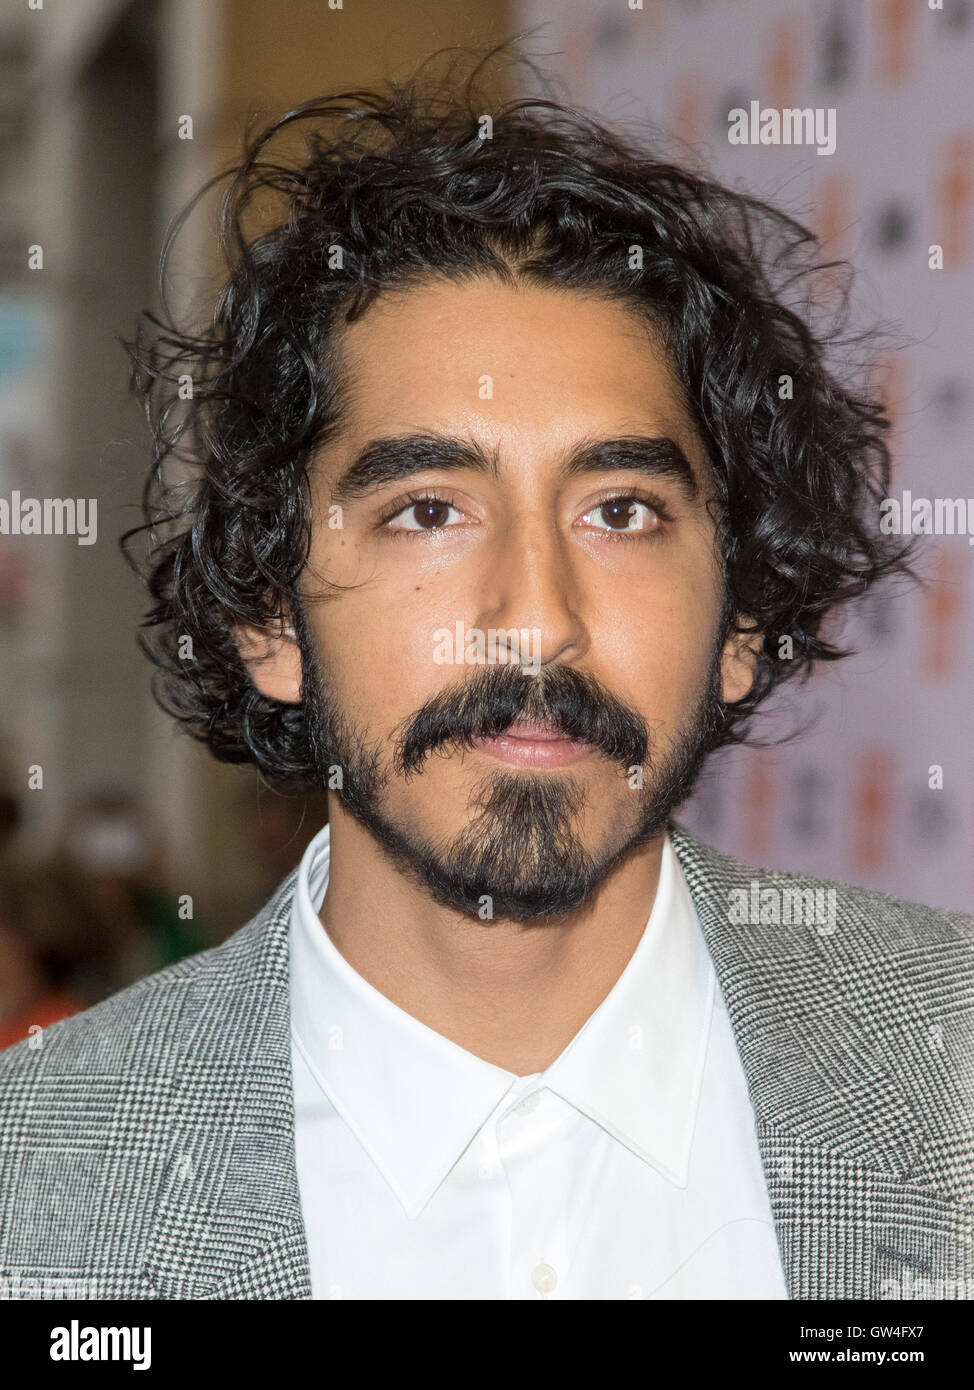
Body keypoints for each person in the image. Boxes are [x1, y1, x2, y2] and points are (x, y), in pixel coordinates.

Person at [1, 48, 970, 1303]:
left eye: (619, 510)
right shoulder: (36, 1193)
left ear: (743, 617)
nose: (532, 621)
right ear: (265, 615)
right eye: (425, 512)